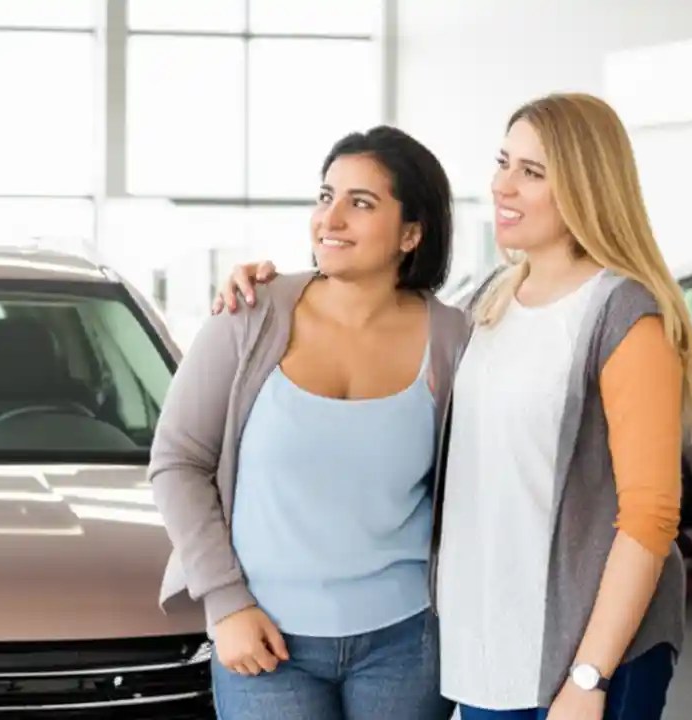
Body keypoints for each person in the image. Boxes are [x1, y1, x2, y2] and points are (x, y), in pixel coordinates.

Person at [212, 93, 692, 720]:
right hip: (489, 652)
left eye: (532, 172)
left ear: (585, 184)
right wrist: (271, 288)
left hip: (585, 659)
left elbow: (650, 516)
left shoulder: (624, 314)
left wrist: (590, 674)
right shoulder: (492, 300)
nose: (503, 185)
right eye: (503, 162)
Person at [150, 126, 467, 720]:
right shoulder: (250, 314)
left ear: (412, 233)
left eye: (361, 202)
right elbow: (177, 462)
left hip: (407, 640)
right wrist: (225, 604)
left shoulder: (453, 339)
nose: (332, 218)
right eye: (326, 196)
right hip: (263, 639)